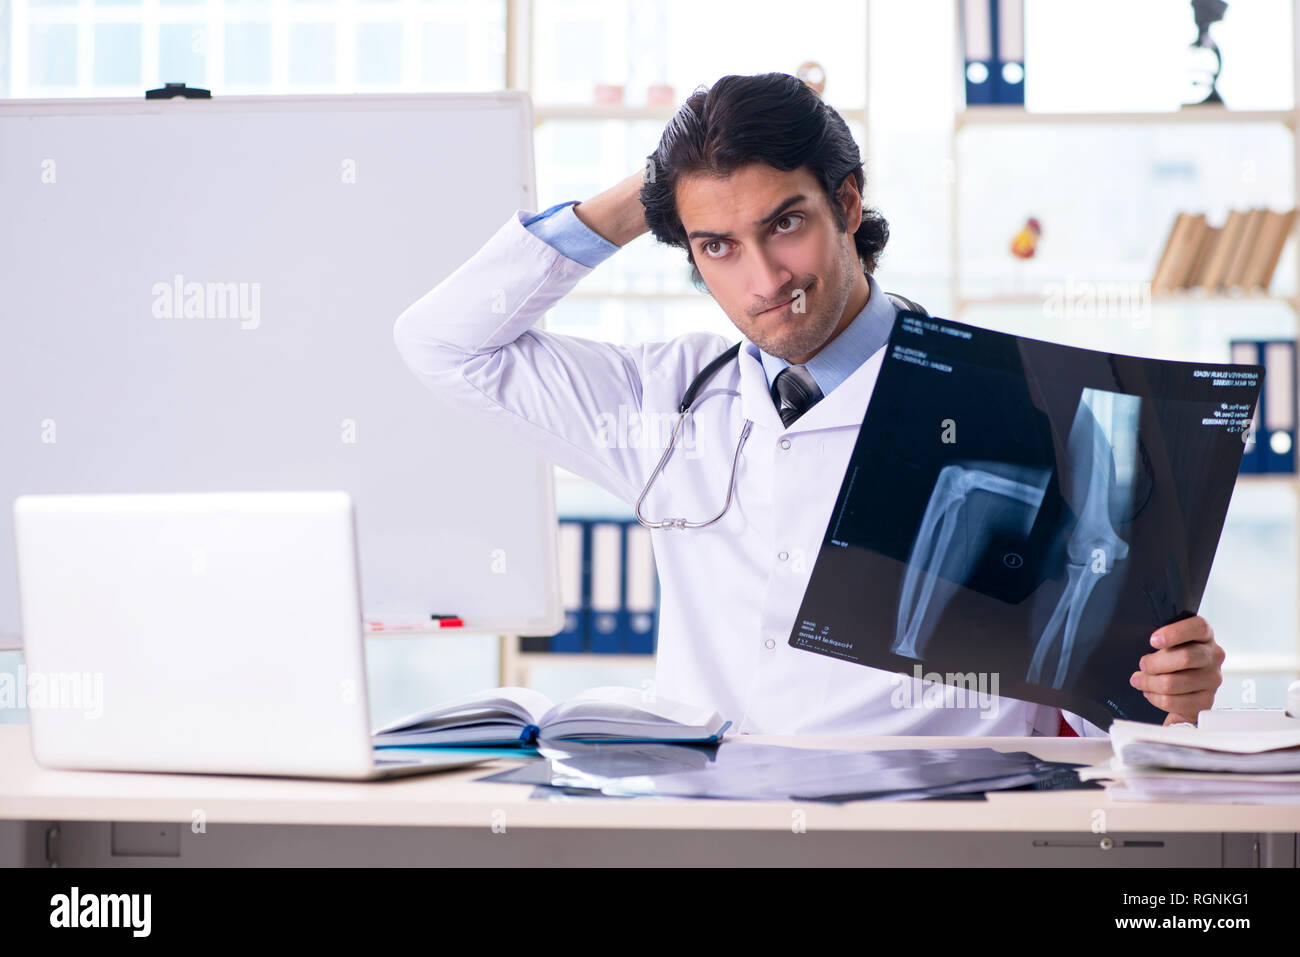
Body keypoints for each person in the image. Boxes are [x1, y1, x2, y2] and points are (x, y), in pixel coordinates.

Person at [393, 72, 1224, 736]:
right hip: (722, 835)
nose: (763, 281)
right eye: (716, 246)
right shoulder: (656, 399)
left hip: (934, 834)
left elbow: (1088, 695)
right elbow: (442, 343)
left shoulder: (1022, 401)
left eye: (784, 224)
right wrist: (640, 198)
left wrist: (1165, 684)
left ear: (848, 206)